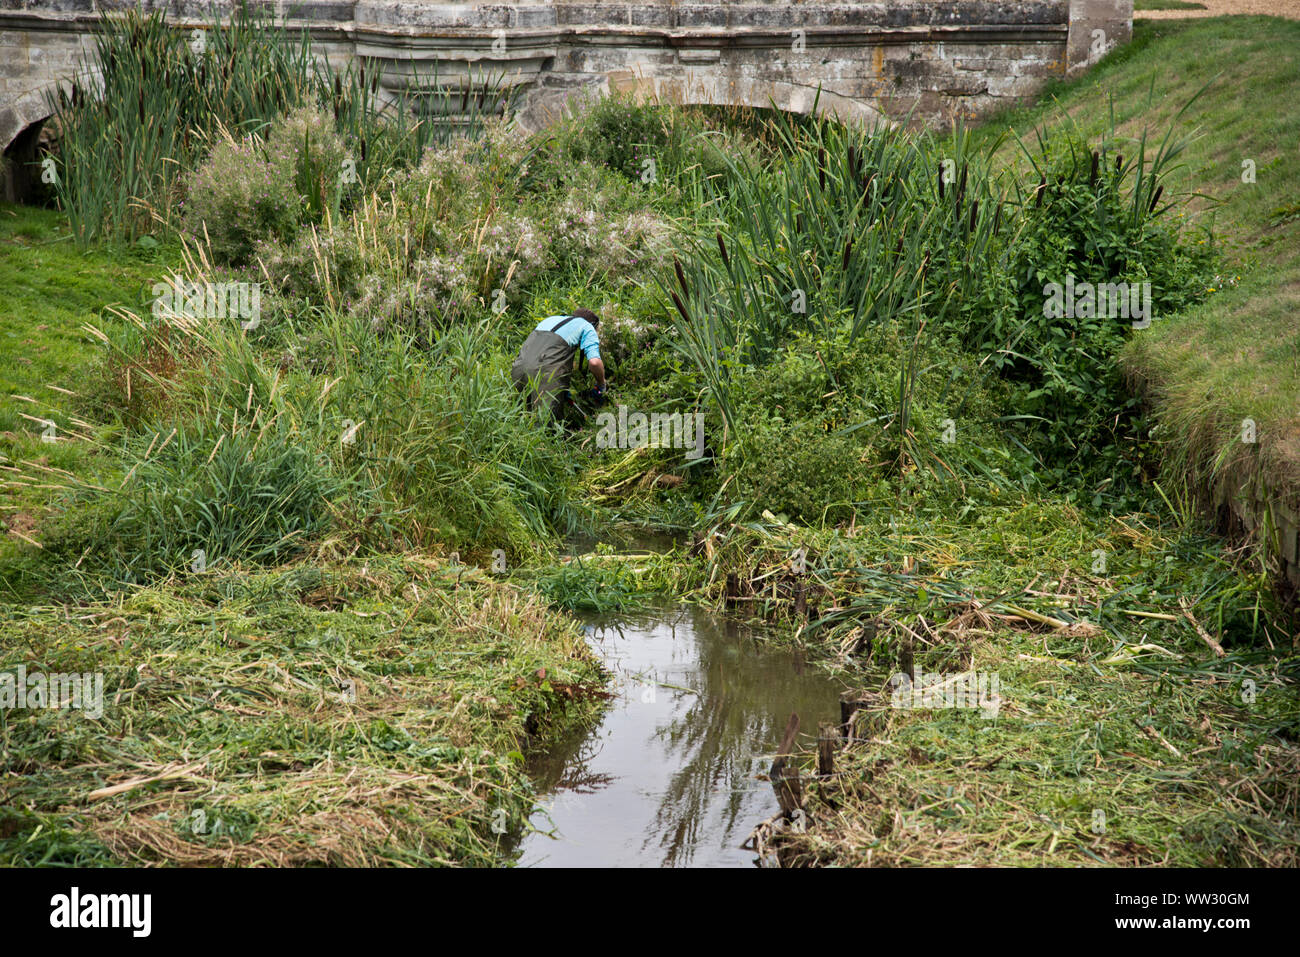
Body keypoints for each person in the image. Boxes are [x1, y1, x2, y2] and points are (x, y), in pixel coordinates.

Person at [511, 307, 607, 421]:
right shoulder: (587, 327)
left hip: (518, 370)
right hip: (545, 376)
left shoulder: (550, 319)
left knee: (520, 419)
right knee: (546, 428)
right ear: (593, 324)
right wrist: (601, 384)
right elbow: (595, 362)